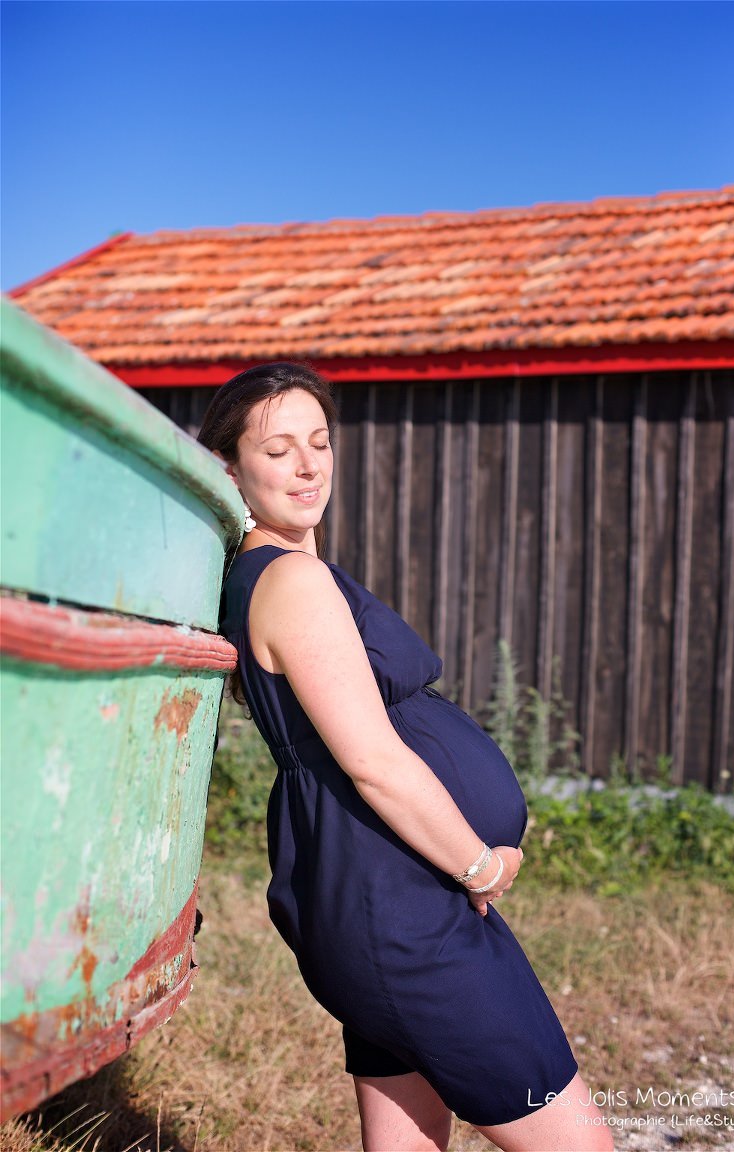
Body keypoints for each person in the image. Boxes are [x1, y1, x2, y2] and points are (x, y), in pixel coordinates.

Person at [198, 363, 614, 1152]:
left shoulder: (282, 573)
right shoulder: (290, 582)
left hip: (381, 893)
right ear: (231, 471)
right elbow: (374, 762)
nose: (309, 466)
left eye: (319, 443)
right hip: (404, 904)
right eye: (279, 450)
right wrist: (477, 866)